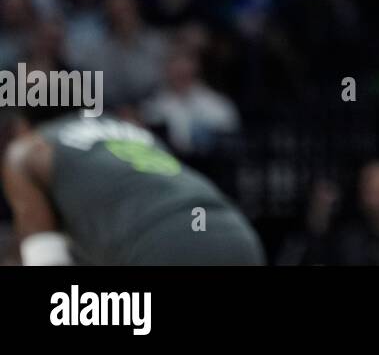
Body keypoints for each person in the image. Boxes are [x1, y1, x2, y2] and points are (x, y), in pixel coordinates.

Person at [2, 102, 264, 265]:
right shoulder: (131, 131)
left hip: (161, 242)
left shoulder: (28, 149)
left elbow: (47, 260)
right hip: (234, 231)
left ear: (22, 127)